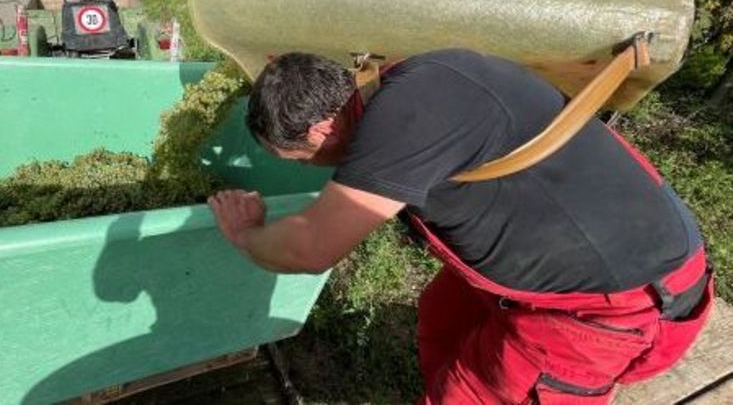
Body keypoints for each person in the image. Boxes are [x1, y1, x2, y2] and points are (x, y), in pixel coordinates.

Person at [208, 50, 713, 404]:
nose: (305, 170)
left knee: (471, 395)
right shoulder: (404, 79)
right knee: (442, 314)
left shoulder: (403, 124)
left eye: (298, 160)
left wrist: (245, 234)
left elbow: (309, 249)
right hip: (587, 250)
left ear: (321, 128)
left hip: (620, 304)